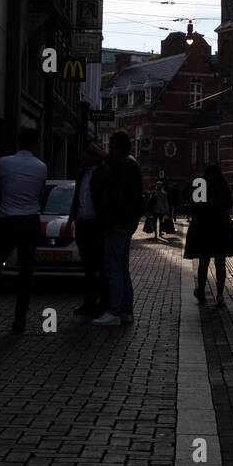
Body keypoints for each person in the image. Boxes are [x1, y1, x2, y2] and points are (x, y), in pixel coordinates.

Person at [0, 128, 48, 333]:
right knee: (26, 272)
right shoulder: (41, 167)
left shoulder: (3, 163)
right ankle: (19, 322)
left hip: (8, 220)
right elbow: (39, 193)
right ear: (35, 144)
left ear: (18, 142)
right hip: (30, 220)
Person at [91, 130, 144, 326]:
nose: (109, 149)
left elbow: (114, 196)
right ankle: (126, 311)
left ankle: (113, 311)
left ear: (116, 147)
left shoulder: (121, 166)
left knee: (112, 267)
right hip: (127, 222)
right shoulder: (131, 163)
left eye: (110, 146)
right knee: (122, 267)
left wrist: (107, 219)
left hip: (117, 223)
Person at [184, 164, 233, 308]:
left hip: (203, 227)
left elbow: (193, 204)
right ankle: (220, 295)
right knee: (220, 262)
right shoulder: (222, 185)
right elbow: (229, 204)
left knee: (203, 262)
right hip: (220, 228)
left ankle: (201, 292)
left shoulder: (201, 186)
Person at [67, 141, 107, 317]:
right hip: (82, 224)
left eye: (87, 154)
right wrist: (70, 221)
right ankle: (89, 302)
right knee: (88, 267)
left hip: (96, 224)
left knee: (100, 265)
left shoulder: (103, 173)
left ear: (95, 157)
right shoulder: (81, 175)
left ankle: (103, 303)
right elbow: (76, 199)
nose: (83, 157)